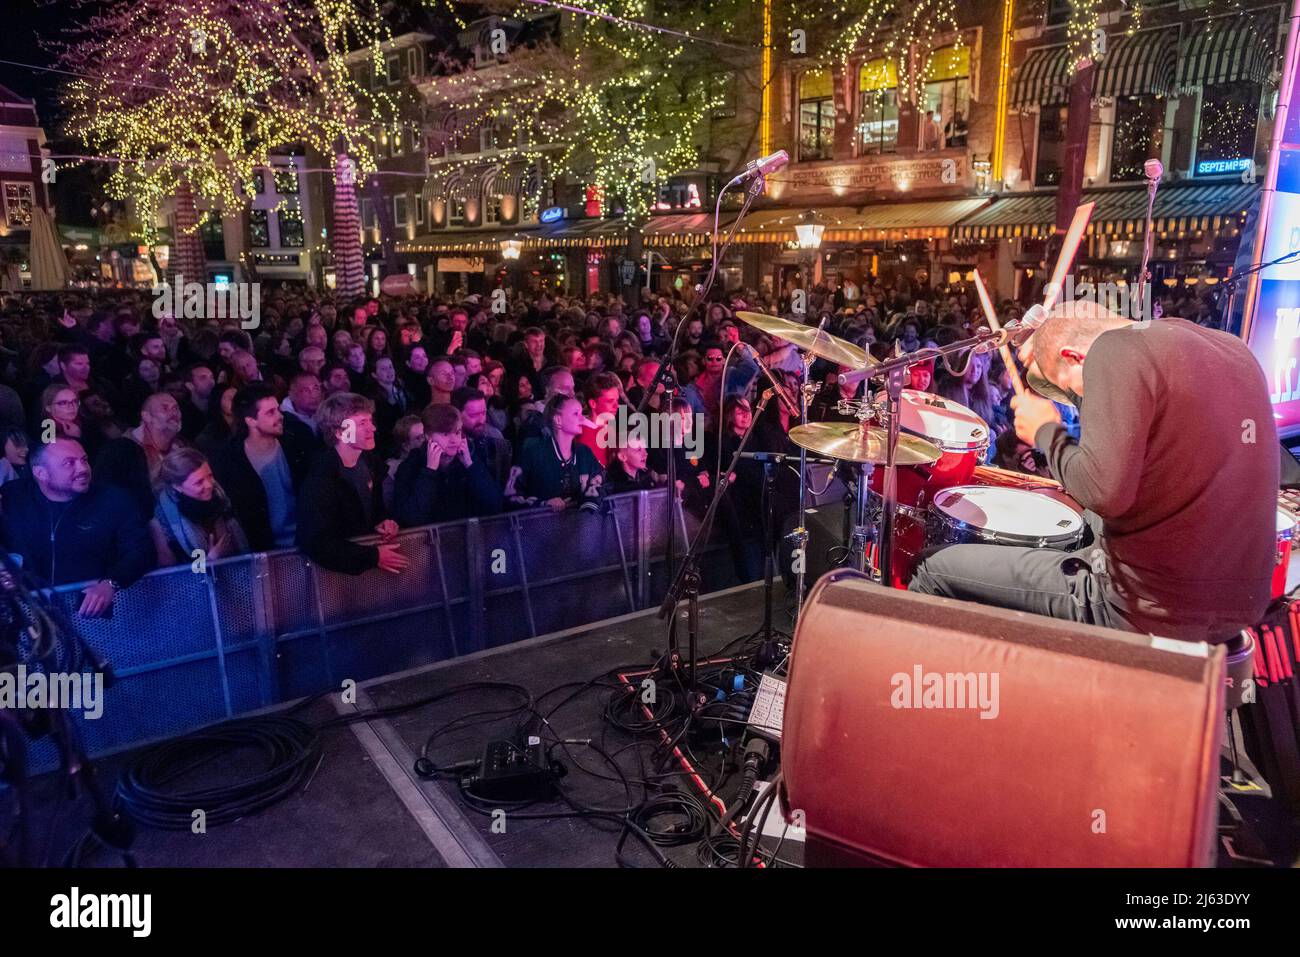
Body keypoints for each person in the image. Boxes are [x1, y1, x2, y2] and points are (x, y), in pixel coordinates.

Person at [909, 302, 1278, 643]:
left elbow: (1103, 493)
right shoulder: (1233, 349)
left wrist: (1045, 431)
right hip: (1240, 607)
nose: (1080, 400)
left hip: (1142, 607)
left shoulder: (1113, 350)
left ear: (1075, 355)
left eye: (1070, 387)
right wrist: (1045, 360)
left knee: (932, 568)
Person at [0, 437, 153, 616]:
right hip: (31, 615)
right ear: (41, 473)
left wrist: (111, 583)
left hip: (93, 614)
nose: (83, 469)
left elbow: (142, 550)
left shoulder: (112, 500)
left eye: (84, 460)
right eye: (69, 463)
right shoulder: (13, 497)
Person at [296, 392, 408, 576]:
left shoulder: (370, 462)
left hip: (360, 570)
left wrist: (384, 522)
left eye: (370, 421)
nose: (372, 428)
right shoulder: (321, 475)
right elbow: (316, 540)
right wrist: (371, 556)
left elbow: (375, 507)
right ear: (339, 432)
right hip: (329, 575)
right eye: (362, 423)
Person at [211, 383, 312, 551]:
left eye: (278, 409)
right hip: (263, 549)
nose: (280, 416)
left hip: (305, 542)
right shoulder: (230, 460)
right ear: (250, 420)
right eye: (270, 412)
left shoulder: (296, 442)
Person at [392, 404, 503, 526]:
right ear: (428, 436)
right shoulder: (410, 467)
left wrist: (471, 466)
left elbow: (495, 505)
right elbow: (410, 518)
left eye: (457, 432)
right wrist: (429, 472)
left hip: (469, 538)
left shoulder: (471, 458)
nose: (454, 441)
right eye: (445, 434)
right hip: (429, 542)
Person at [94, 392, 187, 521]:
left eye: (176, 408)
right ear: (146, 416)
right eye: (165, 408)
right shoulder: (123, 453)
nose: (174, 413)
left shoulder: (180, 446)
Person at [149, 447, 249, 566]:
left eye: (210, 476)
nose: (209, 485)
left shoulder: (221, 501)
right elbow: (171, 576)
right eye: (199, 482)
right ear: (177, 486)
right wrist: (210, 560)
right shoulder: (162, 524)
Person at [513, 393, 603, 511]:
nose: (582, 419)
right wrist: (543, 504)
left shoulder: (584, 453)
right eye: (576, 414)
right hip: (541, 527)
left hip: (580, 525)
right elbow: (511, 496)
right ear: (558, 420)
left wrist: (589, 500)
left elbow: (603, 480)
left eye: (581, 414)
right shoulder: (533, 454)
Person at [453, 387, 511, 490]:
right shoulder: (449, 444)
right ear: (457, 414)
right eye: (473, 415)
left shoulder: (495, 440)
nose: (481, 420)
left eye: (483, 413)